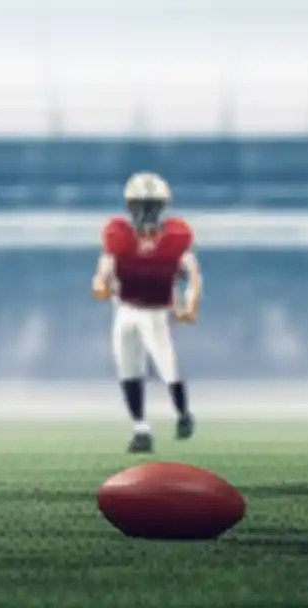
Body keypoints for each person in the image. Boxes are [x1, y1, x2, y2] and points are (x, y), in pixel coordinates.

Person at [93, 172, 201, 453]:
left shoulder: (175, 238)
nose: (146, 212)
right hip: (126, 308)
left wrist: (190, 305)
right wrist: (100, 285)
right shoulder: (119, 236)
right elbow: (104, 269)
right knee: (128, 366)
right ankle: (140, 428)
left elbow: (192, 275)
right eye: (141, 205)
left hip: (155, 311)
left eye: (151, 205)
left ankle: (183, 414)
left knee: (167, 365)